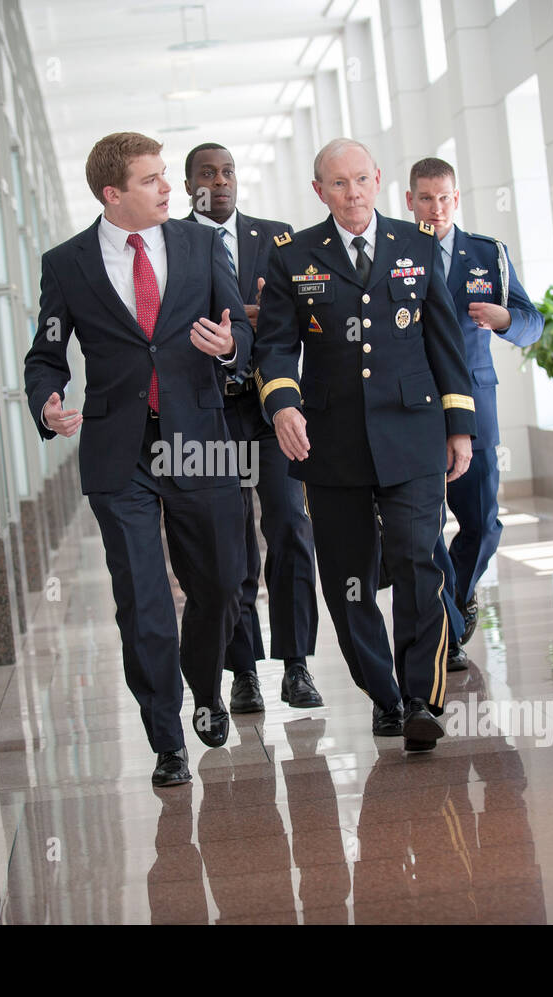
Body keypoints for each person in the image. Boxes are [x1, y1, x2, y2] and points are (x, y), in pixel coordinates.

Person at [23, 131, 252, 787]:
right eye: (152, 179)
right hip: (118, 450)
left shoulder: (201, 245)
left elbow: (243, 332)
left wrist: (230, 347)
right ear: (112, 193)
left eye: (165, 177)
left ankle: (206, 688)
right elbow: (46, 354)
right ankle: (166, 739)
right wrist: (48, 401)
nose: (171, 189)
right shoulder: (67, 265)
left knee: (220, 583)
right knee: (143, 601)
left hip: (198, 438)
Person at [253, 137, 475, 754]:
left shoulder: (417, 244)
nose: (352, 193)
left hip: (413, 433)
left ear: (378, 180)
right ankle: (384, 695)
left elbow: (444, 341)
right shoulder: (294, 256)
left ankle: (422, 698)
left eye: (361, 180)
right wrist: (282, 402)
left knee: (416, 560)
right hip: (334, 445)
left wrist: (460, 426)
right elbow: (274, 345)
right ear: (318, 191)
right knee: (348, 581)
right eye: (338, 184)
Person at [183, 142, 322, 714]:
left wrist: (254, 322)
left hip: (271, 407)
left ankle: (297, 664)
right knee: (231, 542)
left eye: (228, 171)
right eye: (207, 174)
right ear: (190, 183)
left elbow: (305, 318)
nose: (220, 182)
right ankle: (243, 669)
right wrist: (248, 321)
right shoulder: (175, 244)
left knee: (289, 525)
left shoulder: (278, 238)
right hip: (210, 416)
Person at [406, 157, 543, 670]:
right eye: (425, 198)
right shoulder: (395, 252)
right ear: (409, 201)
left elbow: (533, 323)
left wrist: (506, 319)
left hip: (476, 405)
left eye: (444, 197)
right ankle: (447, 626)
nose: (435, 208)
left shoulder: (489, 254)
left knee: (483, 523)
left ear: (456, 198)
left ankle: (457, 598)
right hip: (415, 408)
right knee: (426, 524)